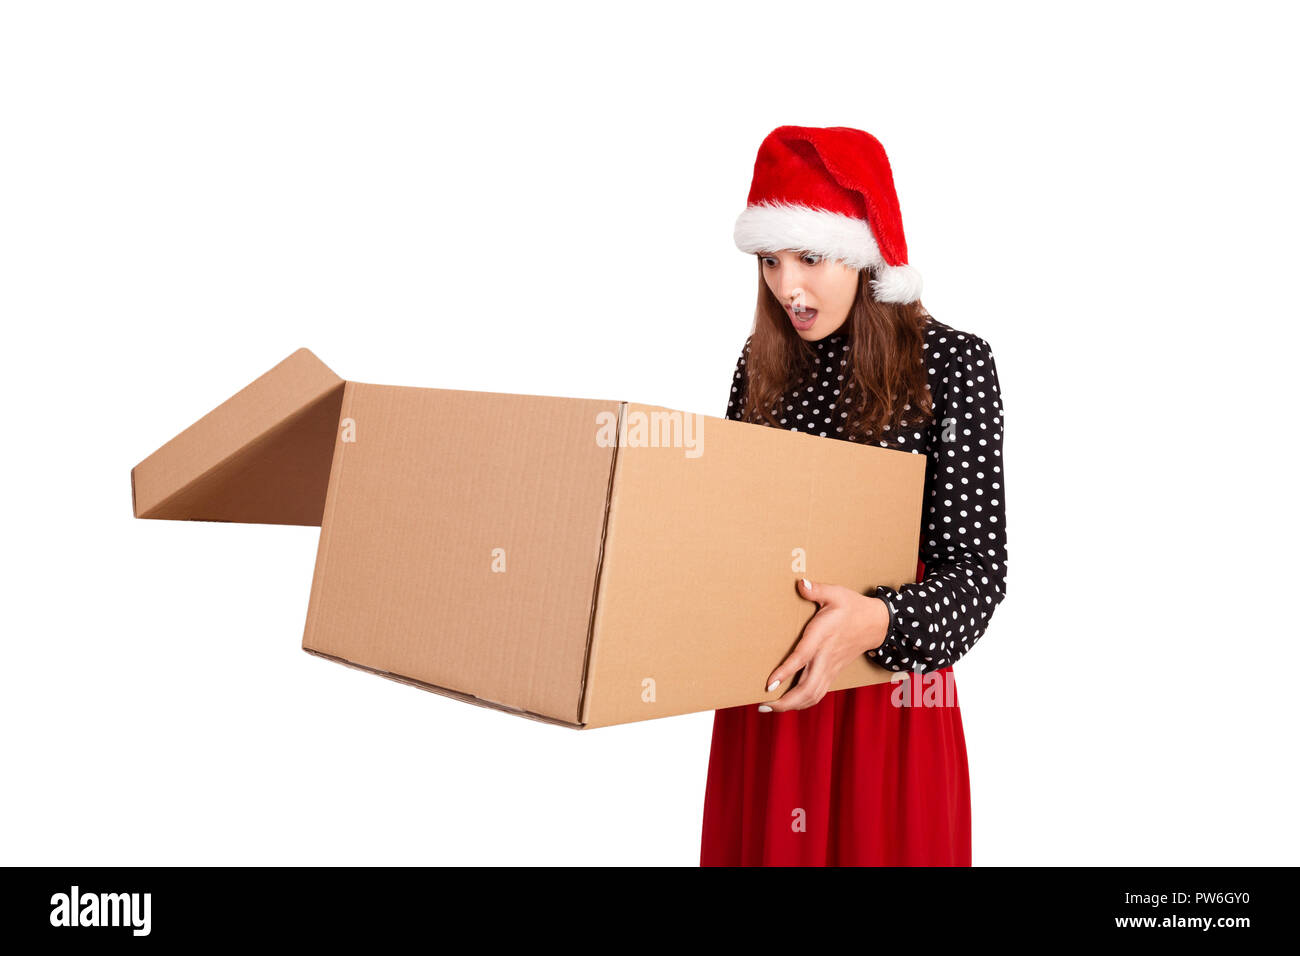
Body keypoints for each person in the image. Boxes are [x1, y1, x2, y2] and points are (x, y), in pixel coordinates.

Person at [700, 126, 1008, 866]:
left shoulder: (954, 365)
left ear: (866, 253)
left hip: (886, 714)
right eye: (770, 260)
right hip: (768, 706)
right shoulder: (760, 364)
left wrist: (875, 619)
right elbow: (725, 528)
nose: (787, 287)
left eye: (809, 257)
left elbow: (978, 575)